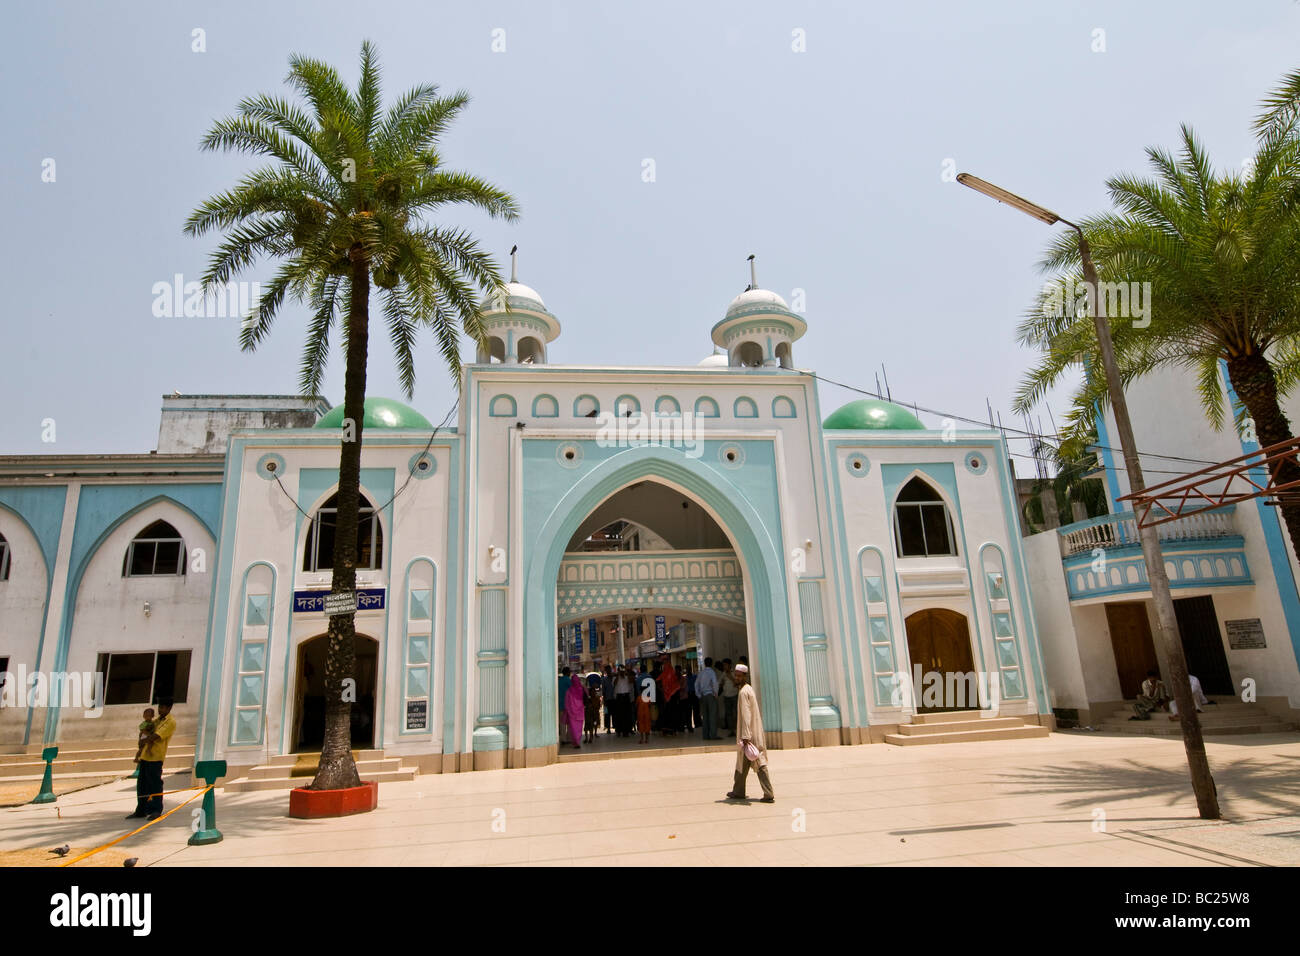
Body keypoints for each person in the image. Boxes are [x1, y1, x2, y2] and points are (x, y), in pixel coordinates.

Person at [726, 665, 774, 802]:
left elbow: (746, 715)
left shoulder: (743, 693)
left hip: (750, 736)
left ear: (745, 677)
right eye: (735, 675)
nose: (737, 678)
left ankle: (768, 793)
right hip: (751, 734)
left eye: (739, 676)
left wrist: (746, 736)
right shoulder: (748, 689)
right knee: (742, 763)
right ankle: (738, 791)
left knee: (759, 762)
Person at [127, 698, 175, 821]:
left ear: (169, 708)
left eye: (163, 707)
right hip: (145, 756)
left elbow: (156, 736)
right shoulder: (156, 721)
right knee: (142, 784)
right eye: (159, 707)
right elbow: (146, 729)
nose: (160, 710)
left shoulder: (170, 722)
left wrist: (144, 740)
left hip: (156, 757)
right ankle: (141, 809)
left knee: (155, 784)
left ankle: (156, 809)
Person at [697, 657, 720, 739]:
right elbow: (714, 683)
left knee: (705, 716)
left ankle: (705, 735)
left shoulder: (701, 673)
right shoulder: (712, 672)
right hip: (711, 695)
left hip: (703, 696)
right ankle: (713, 735)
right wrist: (716, 693)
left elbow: (696, 684)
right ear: (712, 663)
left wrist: (699, 695)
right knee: (712, 716)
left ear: (704, 663)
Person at [565, 672, 586, 748]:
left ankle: (575, 742)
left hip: (571, 712)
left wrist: (567, 710)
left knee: (573, 728)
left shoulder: (569, 691)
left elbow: (567, 702)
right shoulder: (582, 688)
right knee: (579, 728)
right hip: (580, 711)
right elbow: (587, 696)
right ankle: (578, 741)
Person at [720, 659, 739, 737]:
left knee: (736, 713)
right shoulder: (723, 674)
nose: (724, 667)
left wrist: (730, 677)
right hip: (726, 696)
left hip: (734, 695)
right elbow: (720, 684)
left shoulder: (734, 673)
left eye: (726, 665)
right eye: (724, 665)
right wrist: (722, 683)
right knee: (728, 714)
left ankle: (738, 729)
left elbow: (737, 684)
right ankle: (731, 730)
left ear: (730, 665)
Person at [636, 663, 654, 744]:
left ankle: (642, 738)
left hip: (640, 710)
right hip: (650, 702)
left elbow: (637, 690)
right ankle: (646, 739)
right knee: (647, 724)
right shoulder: (650, 677)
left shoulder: (638, 679)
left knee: (642, 725)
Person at [614, 666, 634, 737]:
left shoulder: (627, 678)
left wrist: (627, 672)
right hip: (619, 697)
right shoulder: (616, 678)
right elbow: (614, 683)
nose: (622, 672)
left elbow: (632, 681)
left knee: (627, 715)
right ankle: (619, 730)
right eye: (621, 670)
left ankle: (626, 730)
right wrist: (618, 674)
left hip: (626, 697)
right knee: (619, 715)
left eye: (623, 670)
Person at [558, 667, 573, 743]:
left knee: (562, 723)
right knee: (569, 723)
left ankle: (563, 739)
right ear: (567, 673)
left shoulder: (559, 681)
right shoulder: (568, 680)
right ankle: (569, 738)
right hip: (568, 705)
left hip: (560, 705)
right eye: (569, 672)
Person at [602, 666, 616, 734]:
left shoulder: (614, 678)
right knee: (607, 714)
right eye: (607, 670)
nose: (608, 671)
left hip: (614, 699)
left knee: (614, 714)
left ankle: (615, 726)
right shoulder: (604, 679)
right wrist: (604, 701)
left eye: (609, 670)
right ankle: (608, 728)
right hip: (607, 700)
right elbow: (603, 691)